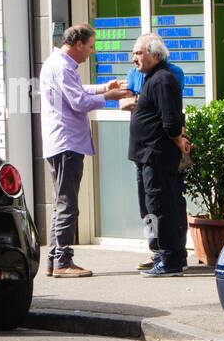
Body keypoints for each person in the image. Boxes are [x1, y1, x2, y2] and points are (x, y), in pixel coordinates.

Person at [38, 24, 129, 277]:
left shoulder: (56, 63)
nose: (91, 51)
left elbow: (76, 92)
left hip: (59, 142)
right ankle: (63, 263)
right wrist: (109, 97)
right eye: (90, 46)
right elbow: (78, 102)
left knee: (60, 203)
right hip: (67, 142)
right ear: (78, 44)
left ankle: (54, 260)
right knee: (68, 204)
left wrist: (102, 88)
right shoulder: (63, 66)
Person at [119, 34, 186, 271]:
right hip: (143, 156)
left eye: (139, 53)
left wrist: (179, 140)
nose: (134, 58)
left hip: (156, 155)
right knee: (147, 207)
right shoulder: (149, 78)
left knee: (162, 206)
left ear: (155, 55)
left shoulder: (164, 79)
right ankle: (157, 251)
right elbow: (123, 103)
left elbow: (171, 121)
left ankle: (171, 256)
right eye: (134, 53)